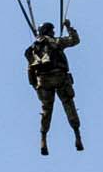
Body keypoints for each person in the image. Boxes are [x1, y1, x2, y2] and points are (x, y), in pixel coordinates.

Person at [24, 20, 84, 154]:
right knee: (68, 104)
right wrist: (69, 26)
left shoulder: (33, 48)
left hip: (43, 81)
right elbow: (75, 40)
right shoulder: (55, 42)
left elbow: (30, 71)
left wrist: (37, 86)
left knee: (46, 110)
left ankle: (43, 140)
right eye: (52, 31)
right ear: (49, 31)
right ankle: (77, 136)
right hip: (59, 78)